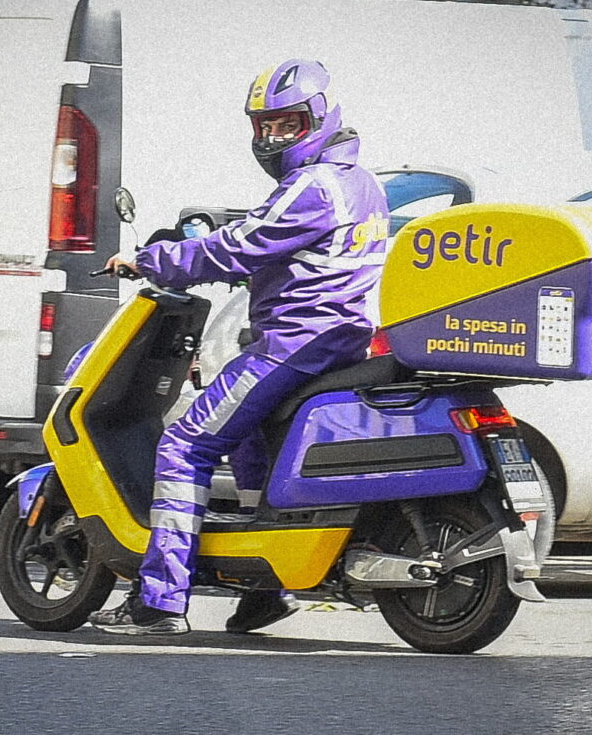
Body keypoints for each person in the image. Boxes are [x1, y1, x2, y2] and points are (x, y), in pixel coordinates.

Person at [89, 58, 389, 636]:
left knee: (183, 444)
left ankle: (157, 602)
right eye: (264, 127)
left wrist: (148, 261)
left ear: (321, 118)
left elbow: (238, 247)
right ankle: (265, 588)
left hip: (295, 343)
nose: (273, 138)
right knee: (252, 444)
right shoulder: (363, 182)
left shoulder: (313, 186)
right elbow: (289, 250)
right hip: (341, 338)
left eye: (288, 125)